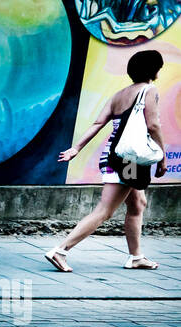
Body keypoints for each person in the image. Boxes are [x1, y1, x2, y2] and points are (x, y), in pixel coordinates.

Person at [47, 49, 167, 272]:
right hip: (128, 160)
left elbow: (97, 123)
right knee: (105, 210)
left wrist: (76, 149)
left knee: (137, 203)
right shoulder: (149, 90)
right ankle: (60, 250)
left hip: (114, 155)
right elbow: (153, 125)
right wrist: (162, 156)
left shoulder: (119, 94)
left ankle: (136, 256)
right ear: (154, 70)